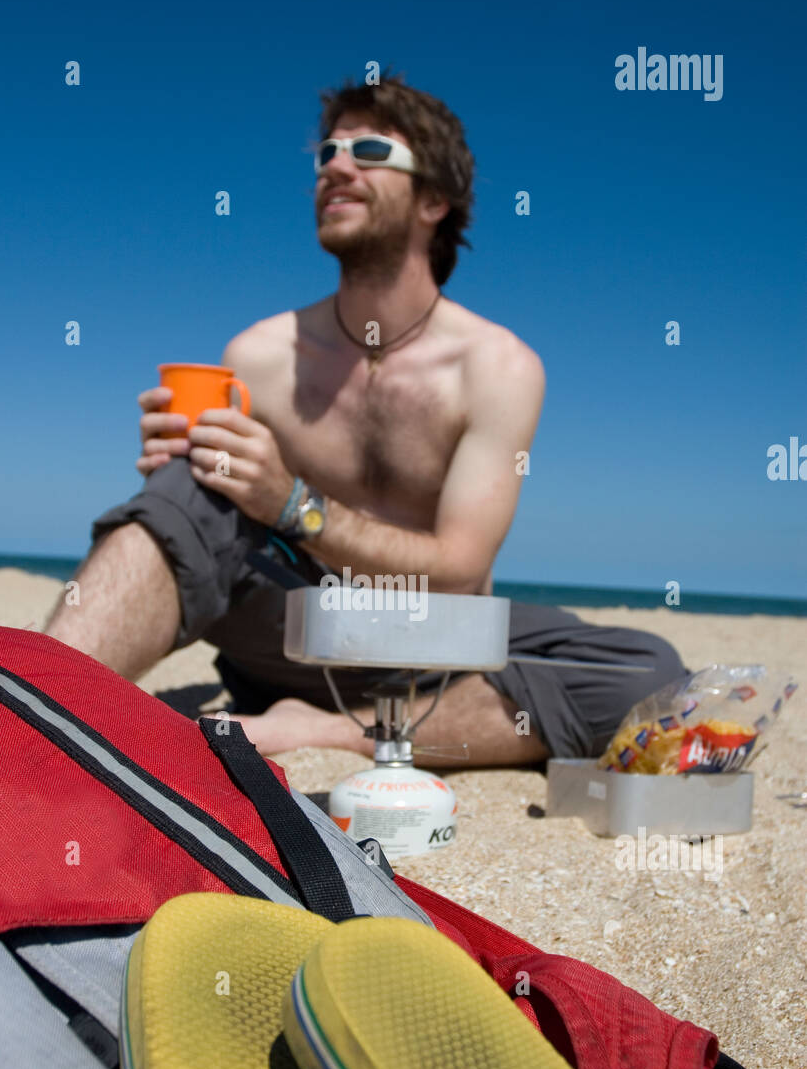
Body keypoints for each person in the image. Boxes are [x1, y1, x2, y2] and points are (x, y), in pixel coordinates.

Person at [45, 75, 685, 767]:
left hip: (428, 648)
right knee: (185, 495)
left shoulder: (497, 368)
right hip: (288, 637)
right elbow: (205, 529)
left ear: (434, 200)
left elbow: (460, 570)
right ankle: (36, 707)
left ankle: (334, 731)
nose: (335, 167)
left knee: (645, 674)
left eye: (370, 149)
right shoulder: (259, 356)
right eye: (326, 153)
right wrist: (190, 467)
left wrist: (293, 505)